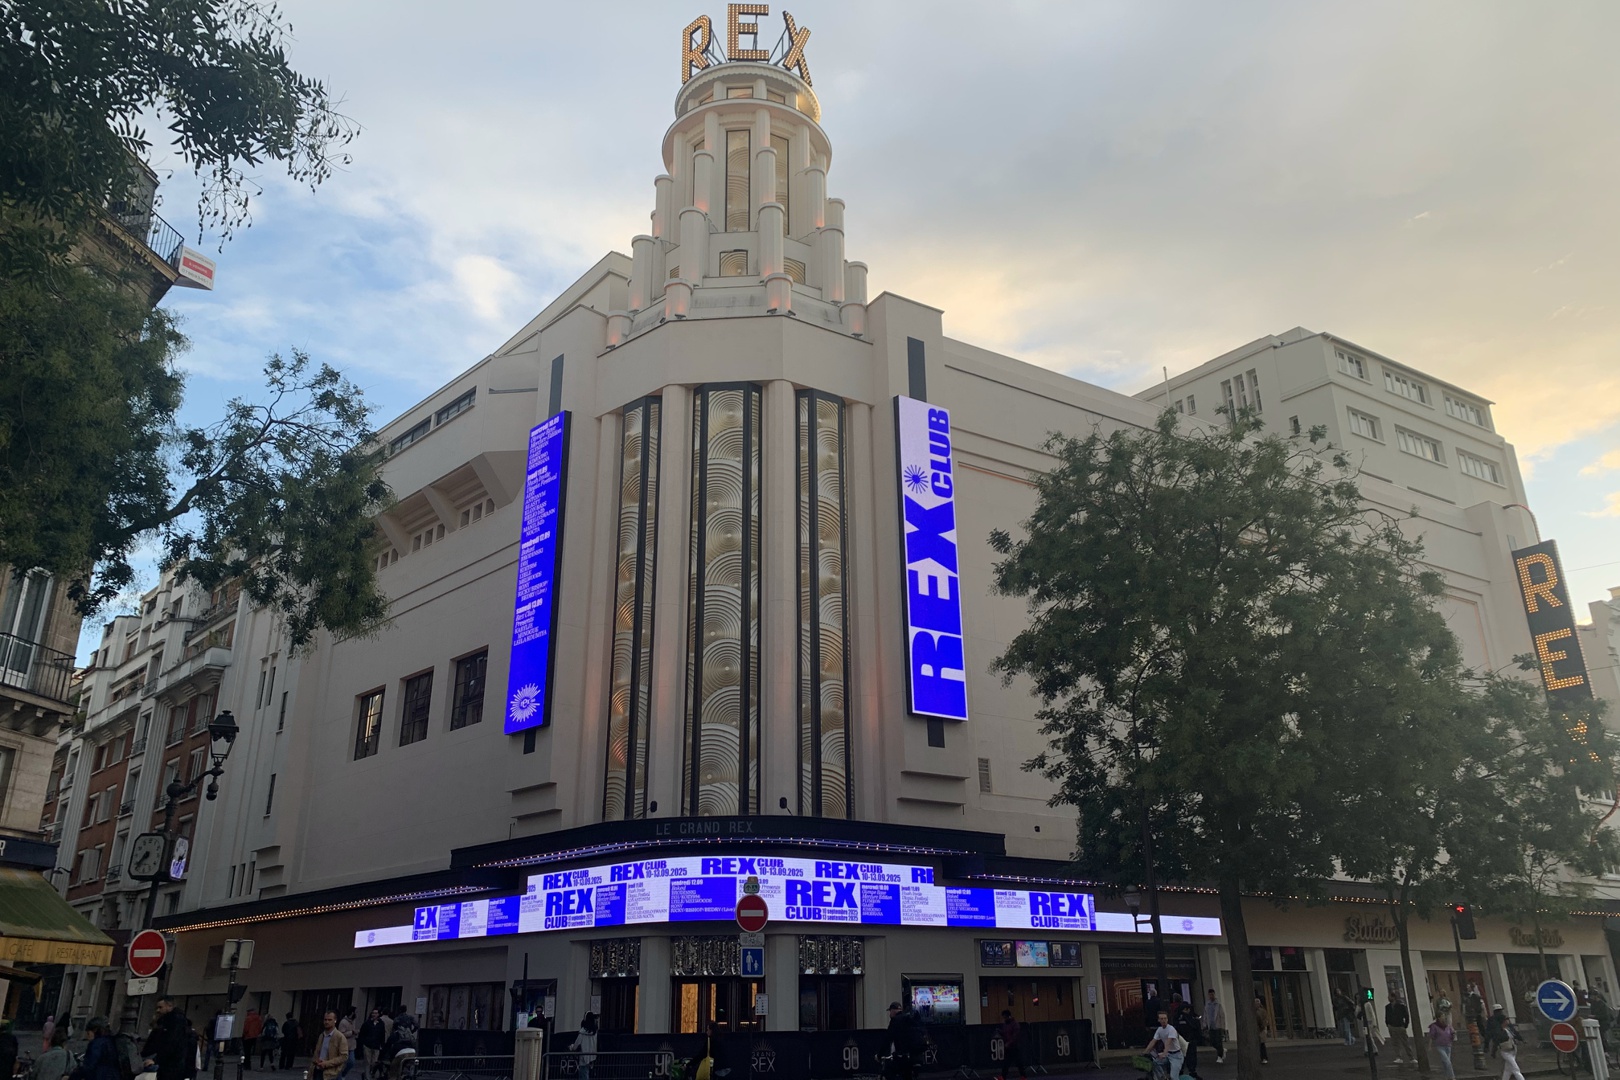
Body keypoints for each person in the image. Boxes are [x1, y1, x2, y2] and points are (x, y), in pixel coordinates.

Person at [143, 997, 193, 1080]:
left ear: (169, 1006)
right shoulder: (171, 1020)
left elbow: (170, 1043)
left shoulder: (174, 1021)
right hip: (172, 1064)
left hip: (171, 1065)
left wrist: (156, 1060)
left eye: (160, 1007)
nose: (158, 1010)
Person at [884, 1001, 925, 1080]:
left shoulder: (895, 1020)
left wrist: (880, 1055)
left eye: (890, 1011)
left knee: (889, 1072)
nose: (889, 1014)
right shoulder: (909, 1019)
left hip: (903, 1057)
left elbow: (887, 1039)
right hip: (917, 1055)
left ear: (893, 1010)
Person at [1146, 1009, 1183, 1080]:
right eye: (1161, 1019)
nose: (1163, 1020)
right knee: (1155, 1062)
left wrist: (1164, 1053)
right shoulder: (1159, 1029)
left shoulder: (1171, 1029)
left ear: (1167, 1019)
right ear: (1158, 1020)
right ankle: (1163, 1077)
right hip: (1168, 1054)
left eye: (1165, 1018)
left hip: (1176, 1055)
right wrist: (1145, 1052)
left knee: (1173, 1077)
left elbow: (1168, 1042)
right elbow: (1153, 1041)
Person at [1171, 994, 1202, 1079]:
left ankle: (1181, 1073)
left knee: (1183, 1058)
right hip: (1188, 1041)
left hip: (1182, 1041)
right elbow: (1195, 1027)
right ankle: (1190, 1072)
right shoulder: (1189, 1017)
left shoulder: (1177, 1017)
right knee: (1190, 1057)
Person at [312, 1013, 348, 1080]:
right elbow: (317, 1052)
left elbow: (344, 1056)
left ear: (335, 1021)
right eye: (325, 1020)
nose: (327, 1022)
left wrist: (327, 1063)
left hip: (332, 1073)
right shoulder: (322, 1036)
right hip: (318, 1070)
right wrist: (316, 1060)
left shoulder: (340, 1037)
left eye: (329, 1020)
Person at [1492, 1009, 1525, 1080]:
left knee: (1507, 1070)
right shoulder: (1499, 1031)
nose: (1507, 1021)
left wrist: (1521, 1039)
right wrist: (1494, 1051)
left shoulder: (1509, 1028)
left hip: (1513, 1050)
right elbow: (1496, 1041)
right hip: (1505, 1051)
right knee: (1515, 1068)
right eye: (1506, 1020)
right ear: (1502, 1022)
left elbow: (1516, 1034)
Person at [1386, 991, 1415, 1065]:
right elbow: (1387, 1016)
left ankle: (1411, 1057)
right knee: (1395, 1043)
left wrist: (1405, 1025)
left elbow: (1406, 1015)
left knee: (1405, 1042)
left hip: (1400, 1026)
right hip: (1392, 1026)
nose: (1388, 998)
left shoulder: (1401, 1006)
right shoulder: (1387, 1007)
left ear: (1393, 997)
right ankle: (1398, 1057)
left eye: (1389, 997)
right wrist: (1388, 1024)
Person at [995, 1010, 1024, 1080]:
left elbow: (1015, 1036)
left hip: (1014, 1046)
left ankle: (1023, 1076)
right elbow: (1005, 1033)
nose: (1004, 1019)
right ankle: (1003, 1076)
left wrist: (1009, 1043)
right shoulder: (1005, 1024)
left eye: (1005, 1017)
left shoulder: (1015, 1024)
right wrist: (1000, 1032)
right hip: (1008, 1046)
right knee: (1007, 1062)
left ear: (1009, 1016)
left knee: (1017, 1062)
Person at [569, 1013, 598, 1080]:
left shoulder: (582, 1033)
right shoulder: (595, 1032)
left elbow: (575, 1045)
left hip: (583, 1057)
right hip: (592, 1056)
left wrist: (571, 1047)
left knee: (583, 1075)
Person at [357, 1011, 386, 1079]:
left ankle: (371, 1073)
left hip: (376, 1045)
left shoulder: (381, 1024)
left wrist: (382, 1044)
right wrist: (363, 1043)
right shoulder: (367, 1023)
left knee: (374, 1063)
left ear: (378, 1014)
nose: (374, 1015)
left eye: (376, 1013)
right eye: (373, 1013)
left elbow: (382, 1035)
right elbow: (362, 1033)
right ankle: (367, 1077)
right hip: (367, 1045)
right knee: (367, 1062)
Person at [1428, 1012, 1456, 1079]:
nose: (1443, 1017)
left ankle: (1446, 1076)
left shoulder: (1448, 1025)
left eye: (1444, 1016)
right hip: (1440, 1046)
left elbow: (1452, 1032)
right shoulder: (1434, 1026)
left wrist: (1453, 1035)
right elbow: (1431, 1036)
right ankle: (1452, 1077)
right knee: (1447, 1061)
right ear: (1438, 1018)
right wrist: (1429, 1046)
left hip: (1448, 1045)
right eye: (1442, 1016)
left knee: (1445, 1062)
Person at [1202, 990, 1226, 1065]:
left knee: (1218, 1041)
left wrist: (1222, 1026)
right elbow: (1205, 1015)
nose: (1211, 996)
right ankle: (1222, 1050)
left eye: (1212, 994)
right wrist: (1204, 1024)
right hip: (1211, 1026)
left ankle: (1219, 1056)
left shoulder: (1218, 1004)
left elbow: (1222, 1016)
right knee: (1212, 1041)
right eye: (1210, 995)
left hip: (1217, 1026)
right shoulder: (1207, 1005)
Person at [337, 1010, 359, 1080]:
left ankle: (343, 1074)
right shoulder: (343, 1022)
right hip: (344, 1045)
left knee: (351, 1062)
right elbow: (341, 1034)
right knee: (341, 1063)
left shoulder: (353, 1021)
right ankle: (339, 1077)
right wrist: (351, 1032)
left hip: (351, 1046)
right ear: (352, 1013)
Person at [1253, 996, 1270, 1065]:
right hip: (1257, 1029)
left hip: (1260, 1030)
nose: (1257, 1004)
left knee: (1261, 1044)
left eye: (1258, 1002)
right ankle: (1262, 1058)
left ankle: (1264, 1058)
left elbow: (1264, 1020)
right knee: (1260, 1045)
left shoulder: (1262, 1011)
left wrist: (1263, 1027)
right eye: (1255, 1002)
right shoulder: (1255, 1011)